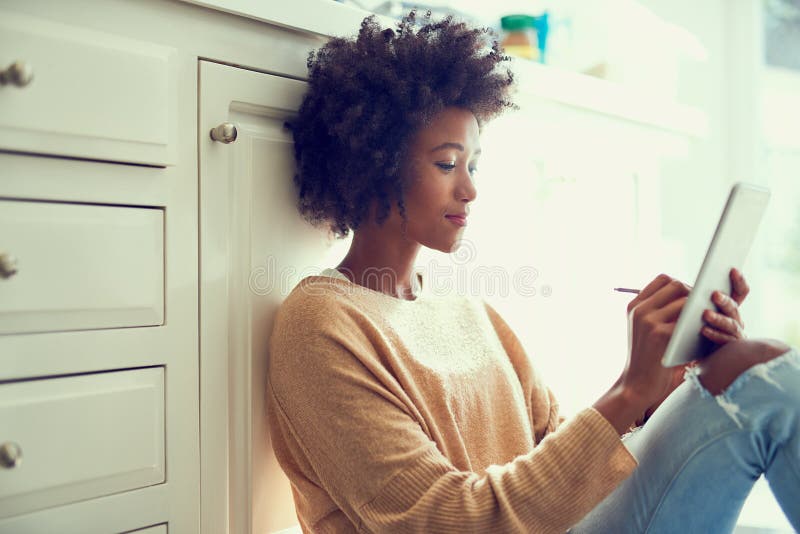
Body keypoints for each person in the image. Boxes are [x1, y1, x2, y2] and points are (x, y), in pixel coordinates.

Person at [265, 9, 800, 533]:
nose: (470, 189)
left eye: (473, 165)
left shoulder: (472, 314)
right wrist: (627, 390)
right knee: (758, 374)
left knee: (750, 375)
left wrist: (658, 390)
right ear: (374, 164)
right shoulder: (320, 324)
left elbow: (559, 465)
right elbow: (442, 521)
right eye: (447, 164)